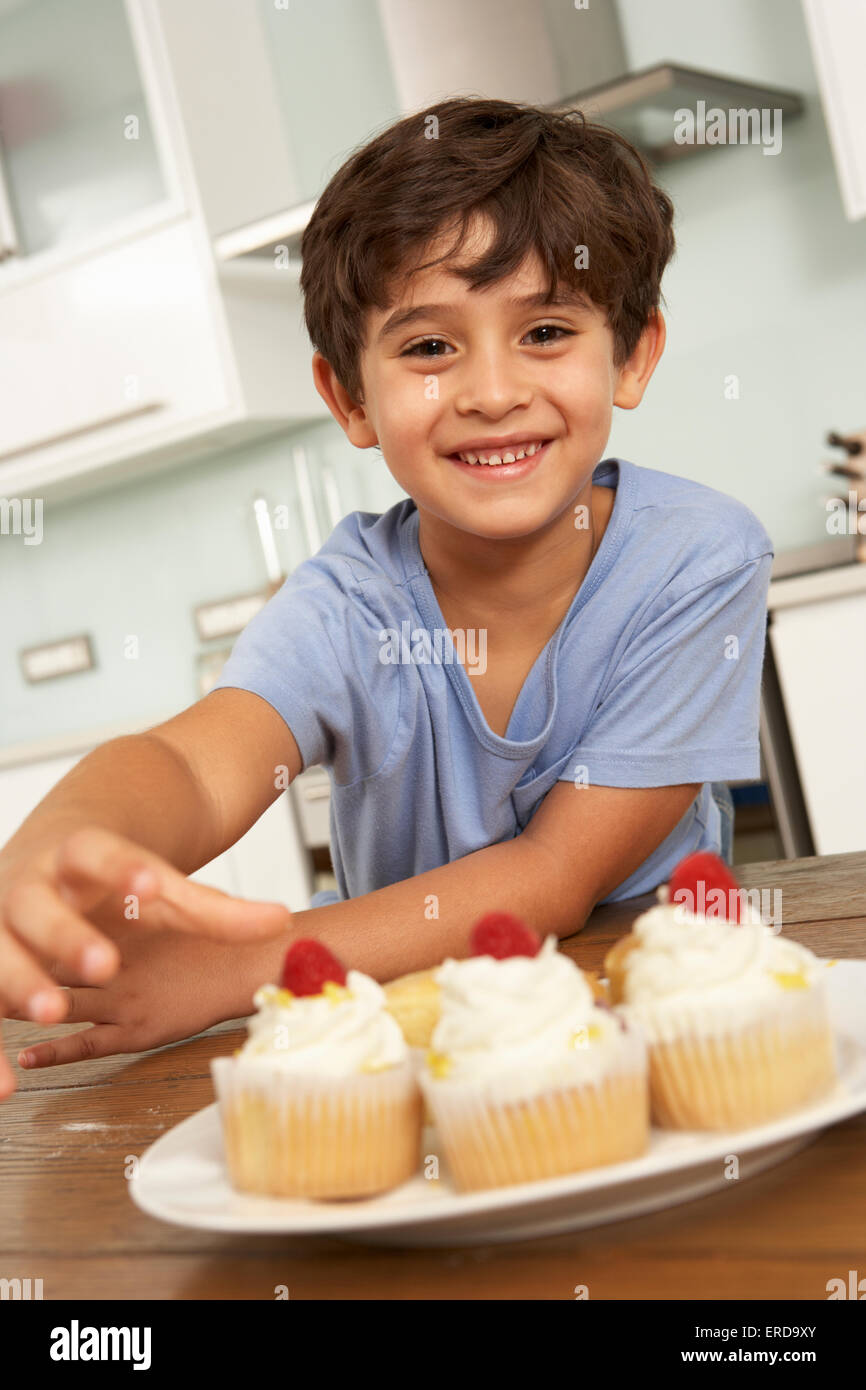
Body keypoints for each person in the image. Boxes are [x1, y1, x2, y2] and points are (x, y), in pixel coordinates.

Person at [0, 97, 773, 1098]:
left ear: (629, 355)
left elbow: (553, 879)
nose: (491, 390)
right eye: (427, 348)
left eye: (544, 330)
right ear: (348, 399)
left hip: (664, 1017)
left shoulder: (696, 559)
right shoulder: (346, 605)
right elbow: (193, 765)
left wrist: (239, 969)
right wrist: (47, 848)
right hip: (414, 1026)